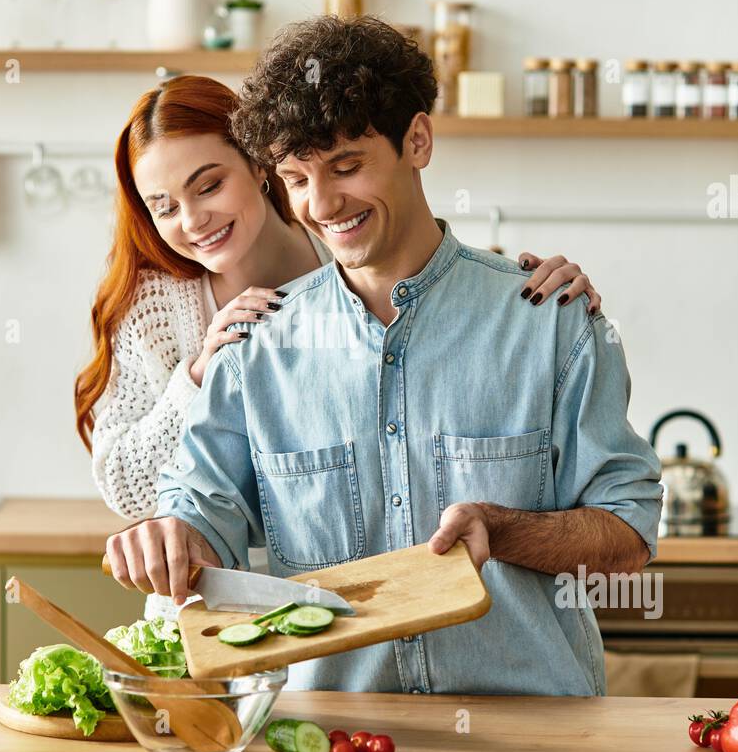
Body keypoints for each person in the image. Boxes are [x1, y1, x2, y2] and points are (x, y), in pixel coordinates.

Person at [104, 18, 662, 697]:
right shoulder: (254, 349)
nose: (323, 203)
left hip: (531, 745)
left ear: (417, 141)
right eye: (297, 178)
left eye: (346, 167)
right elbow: (200, 521)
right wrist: (167, 539)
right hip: (330, 746)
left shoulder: (550, 322)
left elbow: (627, 531)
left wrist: (502, 530)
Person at [77, 74, 599, 523]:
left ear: (261, 165)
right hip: (212, 604)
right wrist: (196, 378)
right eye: (164, 208)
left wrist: (528, 291)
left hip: (347, 601)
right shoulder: (154, 310)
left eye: (209, 186)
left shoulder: (353, 253)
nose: (192, 221)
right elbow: (126, 489)